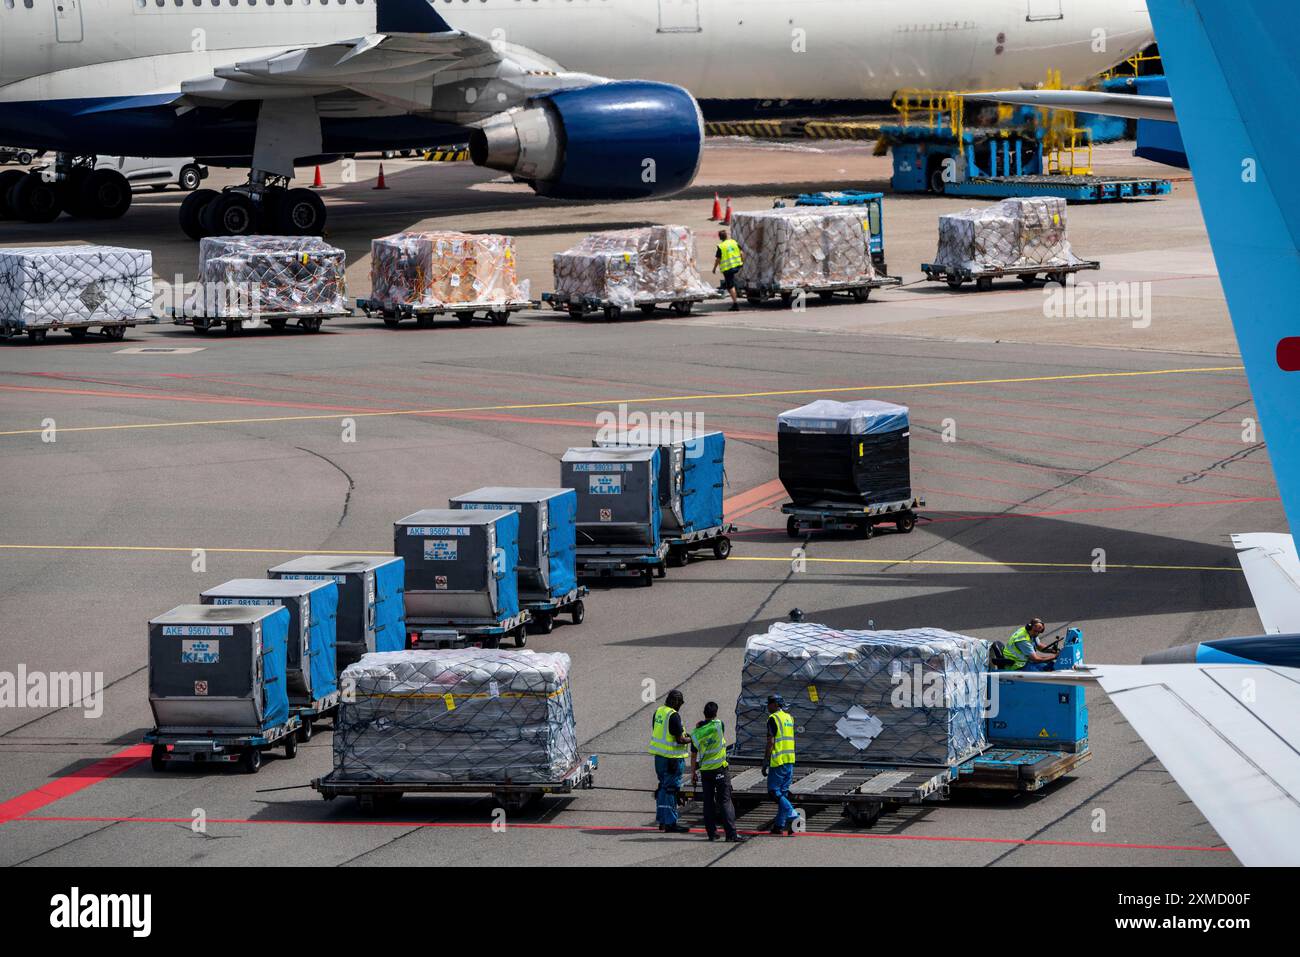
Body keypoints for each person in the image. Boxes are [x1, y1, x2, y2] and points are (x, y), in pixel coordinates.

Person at [688, 702, 746, 843]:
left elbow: (694, 755)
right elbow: (713, 724)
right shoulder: (719, 725)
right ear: (715, 713)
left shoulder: (695, 733)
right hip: (720, 769)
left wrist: (693, 773)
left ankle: (712, 834)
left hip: (705, 771)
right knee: (725, 801)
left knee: (708, 802)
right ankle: (731, 834)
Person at [647, 689, 691, 833]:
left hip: (659, 758)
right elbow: (679, 739)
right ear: (676, 701)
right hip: (671, 759)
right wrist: (693, 738)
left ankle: (662, 821)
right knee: (670, 790)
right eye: (680, 703)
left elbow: (661, 732)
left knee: (662, 788)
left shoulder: (658, 712)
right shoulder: (673, 716)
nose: (680, 707)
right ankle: (670, 823)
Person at [762, 694, 798, 835]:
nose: (767, 706)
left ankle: (793, 814)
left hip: (778, 761)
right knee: (783, 793)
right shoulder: (789, 718)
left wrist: (766, 760)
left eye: (769, 703)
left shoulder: (773, 719)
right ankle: (779, 825)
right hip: (789, 759)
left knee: (773, 792)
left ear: (776, 704)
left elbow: (770, 742)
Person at [713, 229, 744, 311]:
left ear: (720, 238)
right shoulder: (734, 242)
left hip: (728, 268)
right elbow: (741, 253)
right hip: (737, 265)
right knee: (730, 282)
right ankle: (734, 289)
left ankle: (735, 304)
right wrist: (742, 262)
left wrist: (714, 268)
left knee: (730, 285)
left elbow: (718, 259)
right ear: (727, 236)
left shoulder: (721, 246)